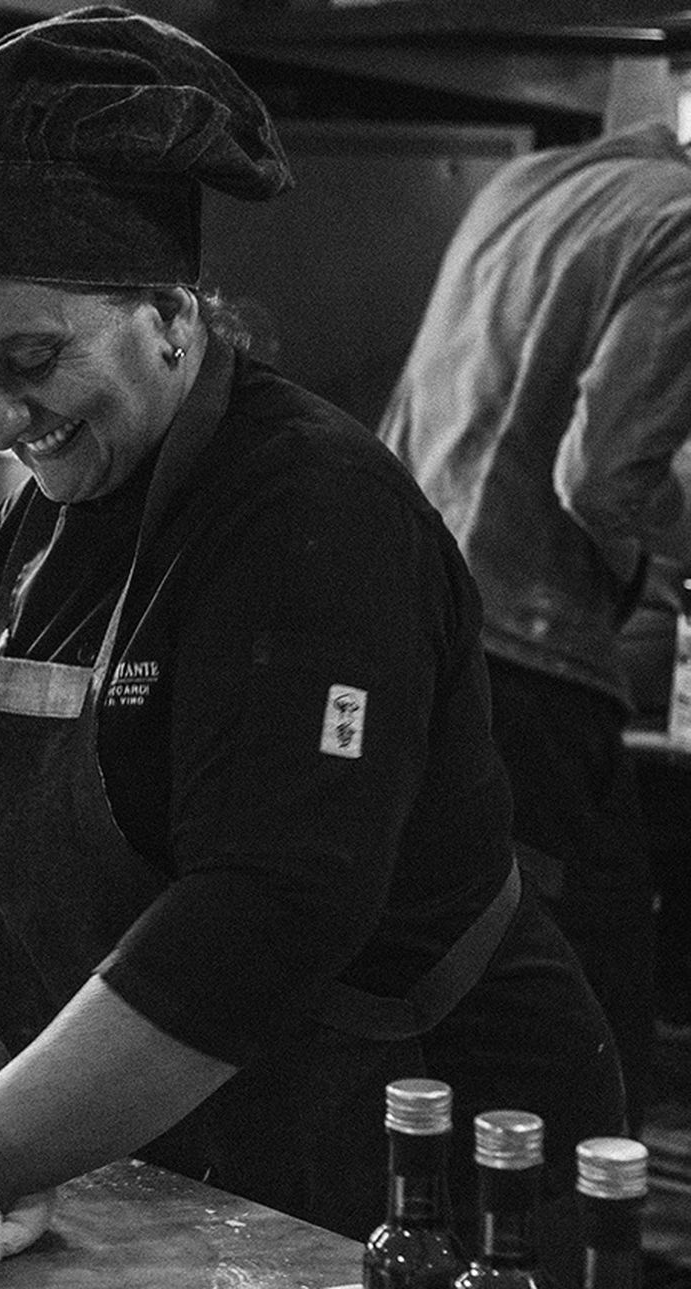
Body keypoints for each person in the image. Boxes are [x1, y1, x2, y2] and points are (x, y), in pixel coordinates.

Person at [0, 8, 624, 1282]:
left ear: (169, 313)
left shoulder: (311, 515)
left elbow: (268, 906)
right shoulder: (55, 514)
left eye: (31, 360)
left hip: (421, 1154)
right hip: (175, 1143)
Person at [378, 58, 691, 1138]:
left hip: (402, 626)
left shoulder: (528, 186)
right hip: (529, 665)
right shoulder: (685, 228)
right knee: (586, 999)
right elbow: (600, 478)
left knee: (453, 982)